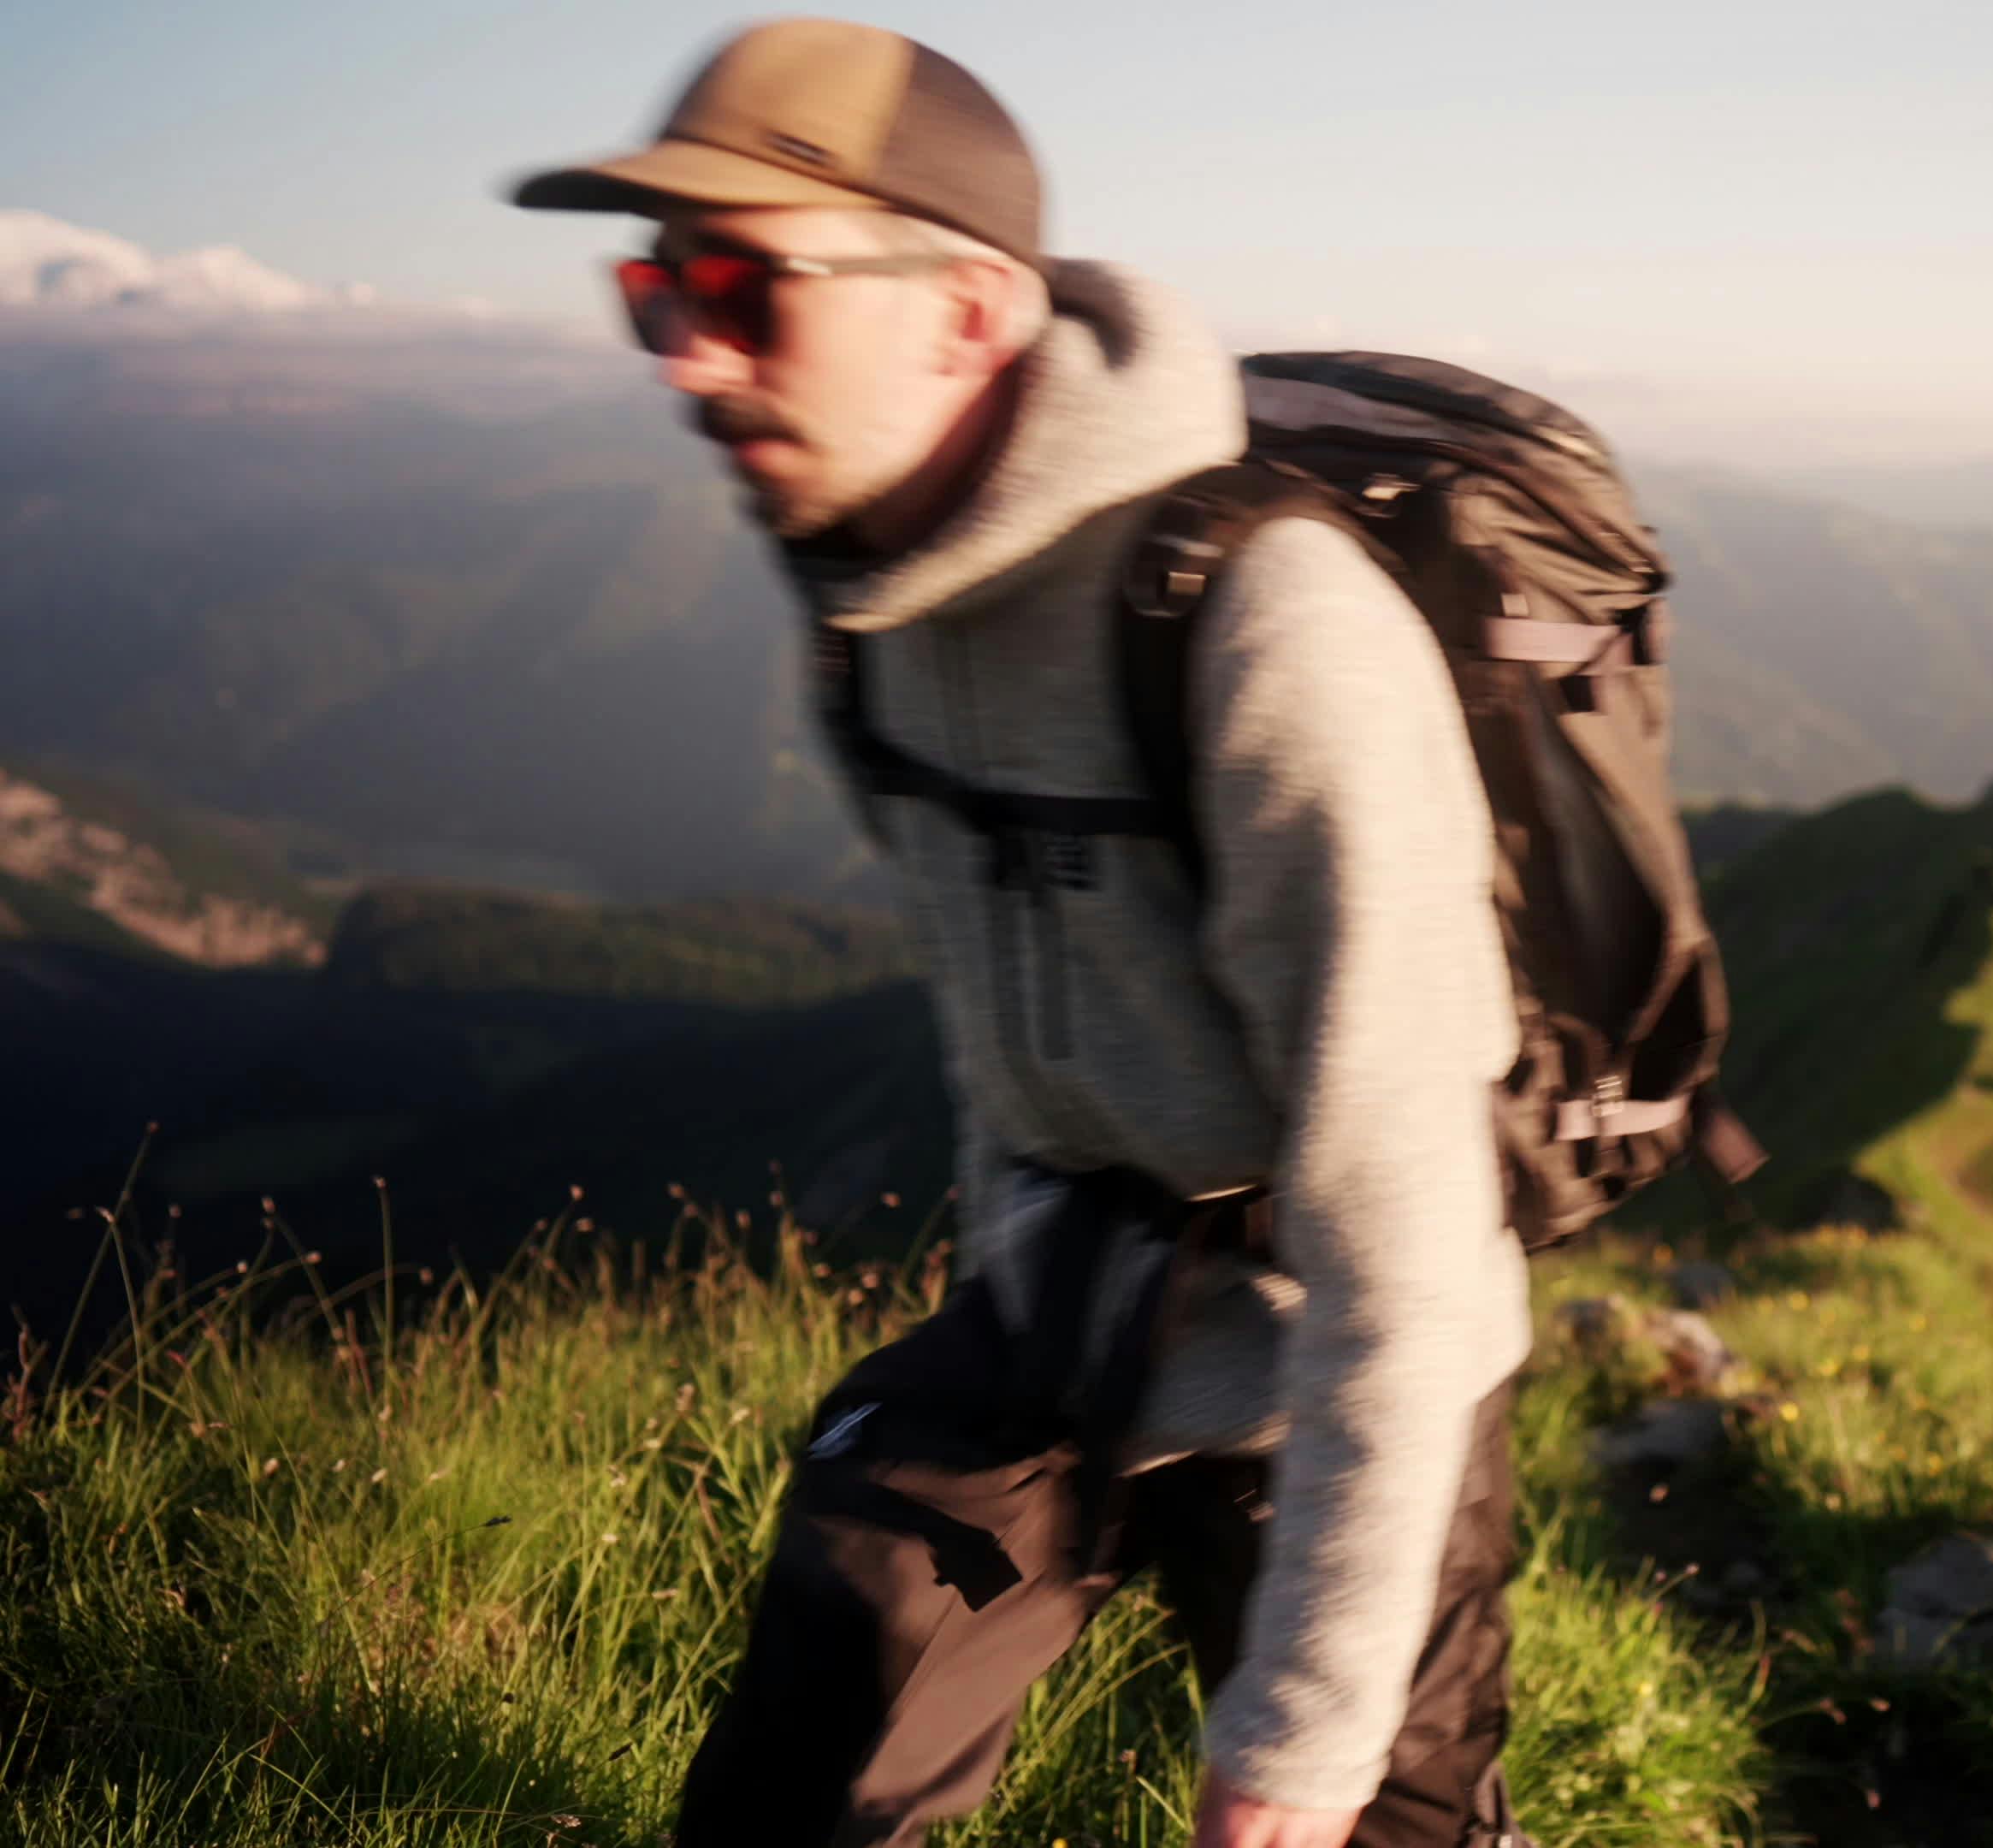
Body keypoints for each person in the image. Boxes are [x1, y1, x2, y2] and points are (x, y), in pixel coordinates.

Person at [508, 21, 1534, 1848]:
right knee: (792, 1787)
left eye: (744, 283)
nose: (687, 356)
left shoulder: (1265, 629)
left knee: (1383, 1820)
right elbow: (1002, 1043)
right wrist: (1023, 1285)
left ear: (970, 308)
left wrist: (1298, 1748)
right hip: (1063, 1305)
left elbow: (1409, 1250)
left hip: (1341, 1356)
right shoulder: (874, 612)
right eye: (654, 286)